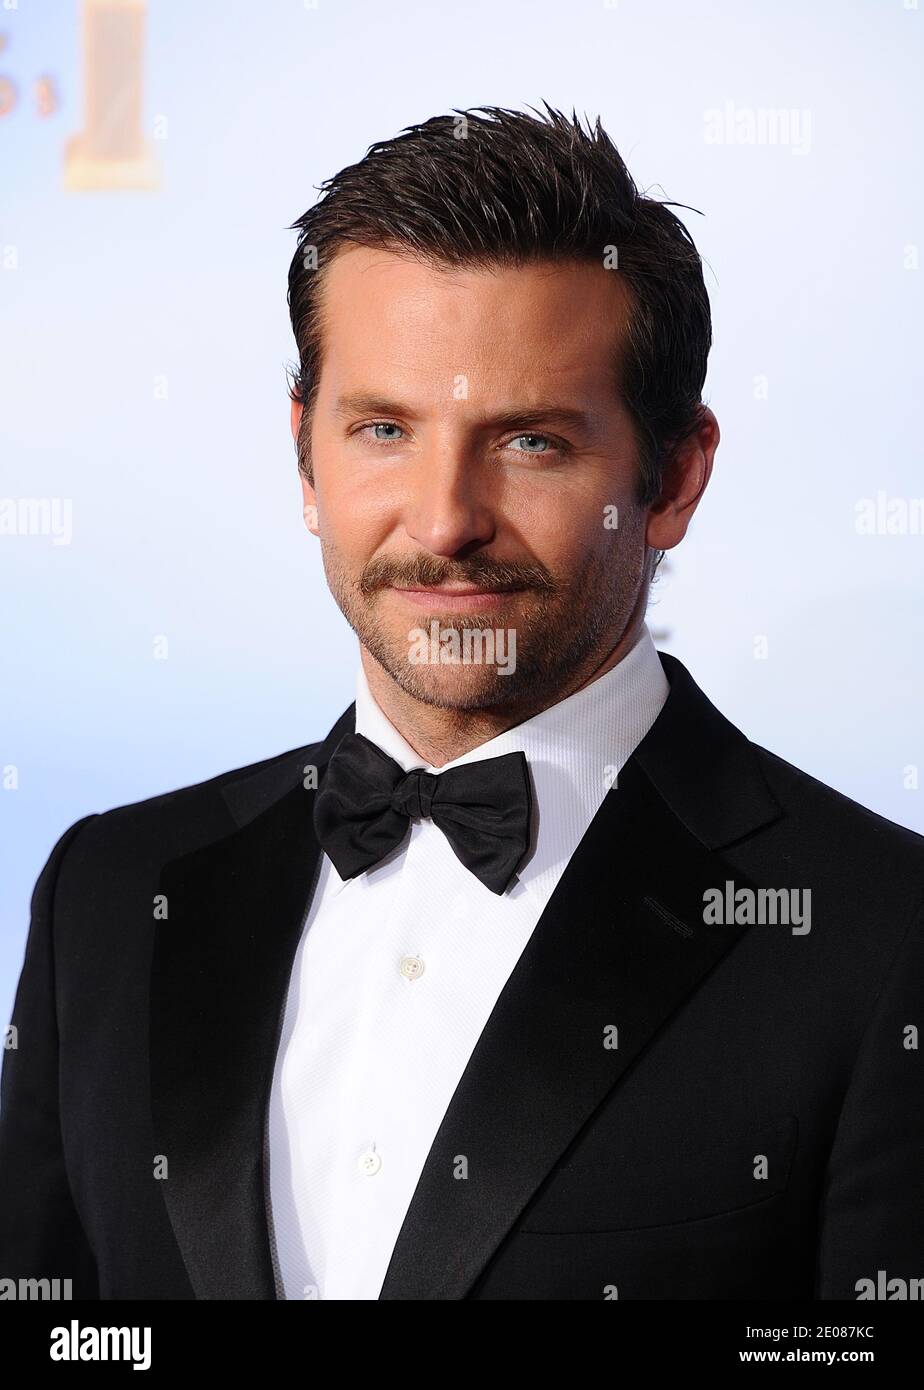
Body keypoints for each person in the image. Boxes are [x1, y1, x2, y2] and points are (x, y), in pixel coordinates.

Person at [1, 104, 922, 1301]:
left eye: (531, 442)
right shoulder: (112, 894)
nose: (444, 521)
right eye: (384, 428)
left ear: (675, 476)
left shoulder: (882, 938)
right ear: (305, 457)